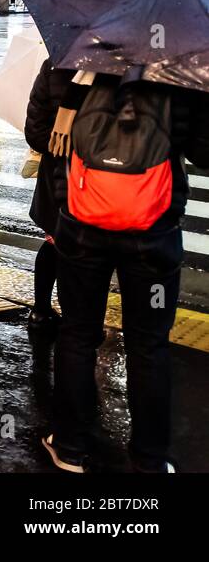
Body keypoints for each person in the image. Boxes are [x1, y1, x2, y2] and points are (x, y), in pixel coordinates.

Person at [41, 75, 209, 474]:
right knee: (149, 345)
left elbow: (38, 132)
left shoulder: (70, 57)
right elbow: (205, 150)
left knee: (78, 335)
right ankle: (150, 460)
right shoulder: (179, 67)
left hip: (81, 227)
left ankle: (69, 447)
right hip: (152, 234)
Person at [23, 59, 73, 331]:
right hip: (103, 183)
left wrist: (60, 144)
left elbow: (35, 132)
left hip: (58, 173)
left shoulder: (55, 65)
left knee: (55, 241)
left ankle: (41, 310)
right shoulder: (131, 68)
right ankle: (75, 318)